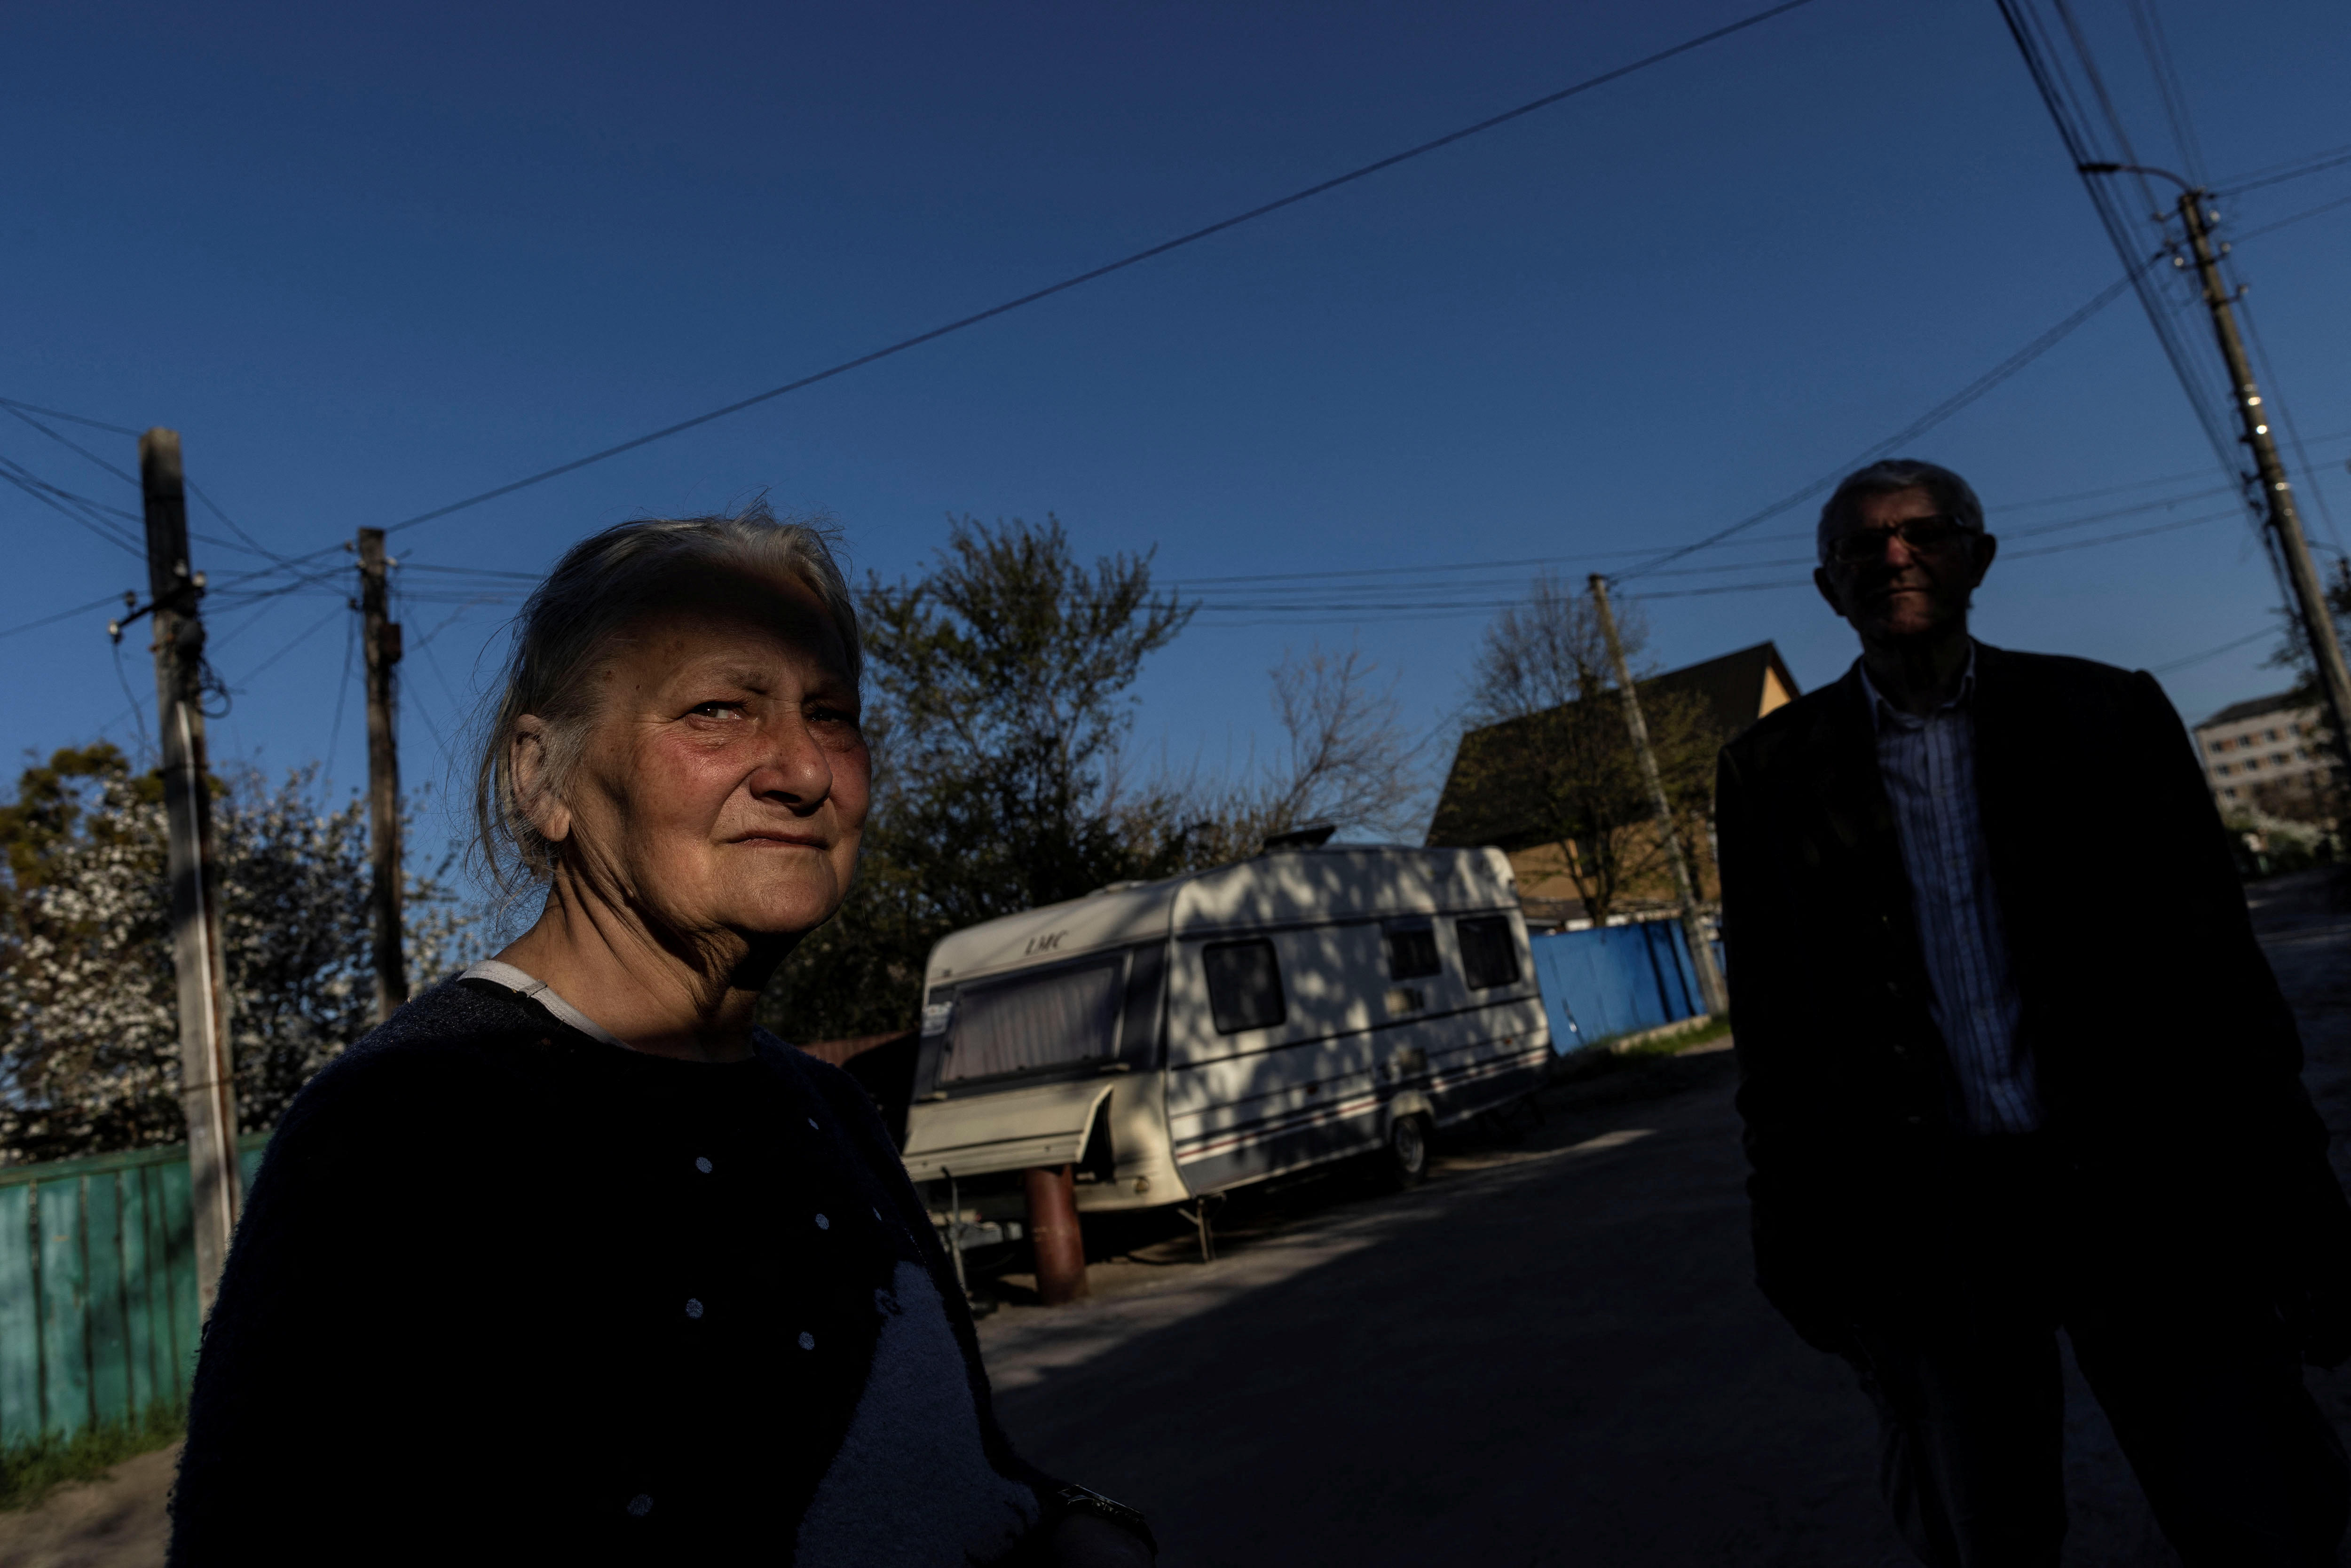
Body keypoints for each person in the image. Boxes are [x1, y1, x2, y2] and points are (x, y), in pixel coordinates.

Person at [169, 507, 1156, 1568]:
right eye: (718, 710)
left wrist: (1075, 1528)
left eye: (831, 714)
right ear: (542, 777)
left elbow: (952, 1470)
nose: (804, 771)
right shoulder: (410, 1127)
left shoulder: (828, 1109)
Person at [1715, 458, 2351, 1566]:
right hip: (1931, 1219)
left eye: (1923, 533)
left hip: (2141, 1188)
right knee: (1989, 1533)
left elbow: (2219, 979)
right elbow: (1775, 1023)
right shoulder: (1772, 768)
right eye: (1862, 546)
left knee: (2250, 1513)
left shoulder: (2106, 713)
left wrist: (2299, 1202)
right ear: (1828, 589)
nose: (1894, 557)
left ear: (1978, 558)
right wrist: (1790, 1231)